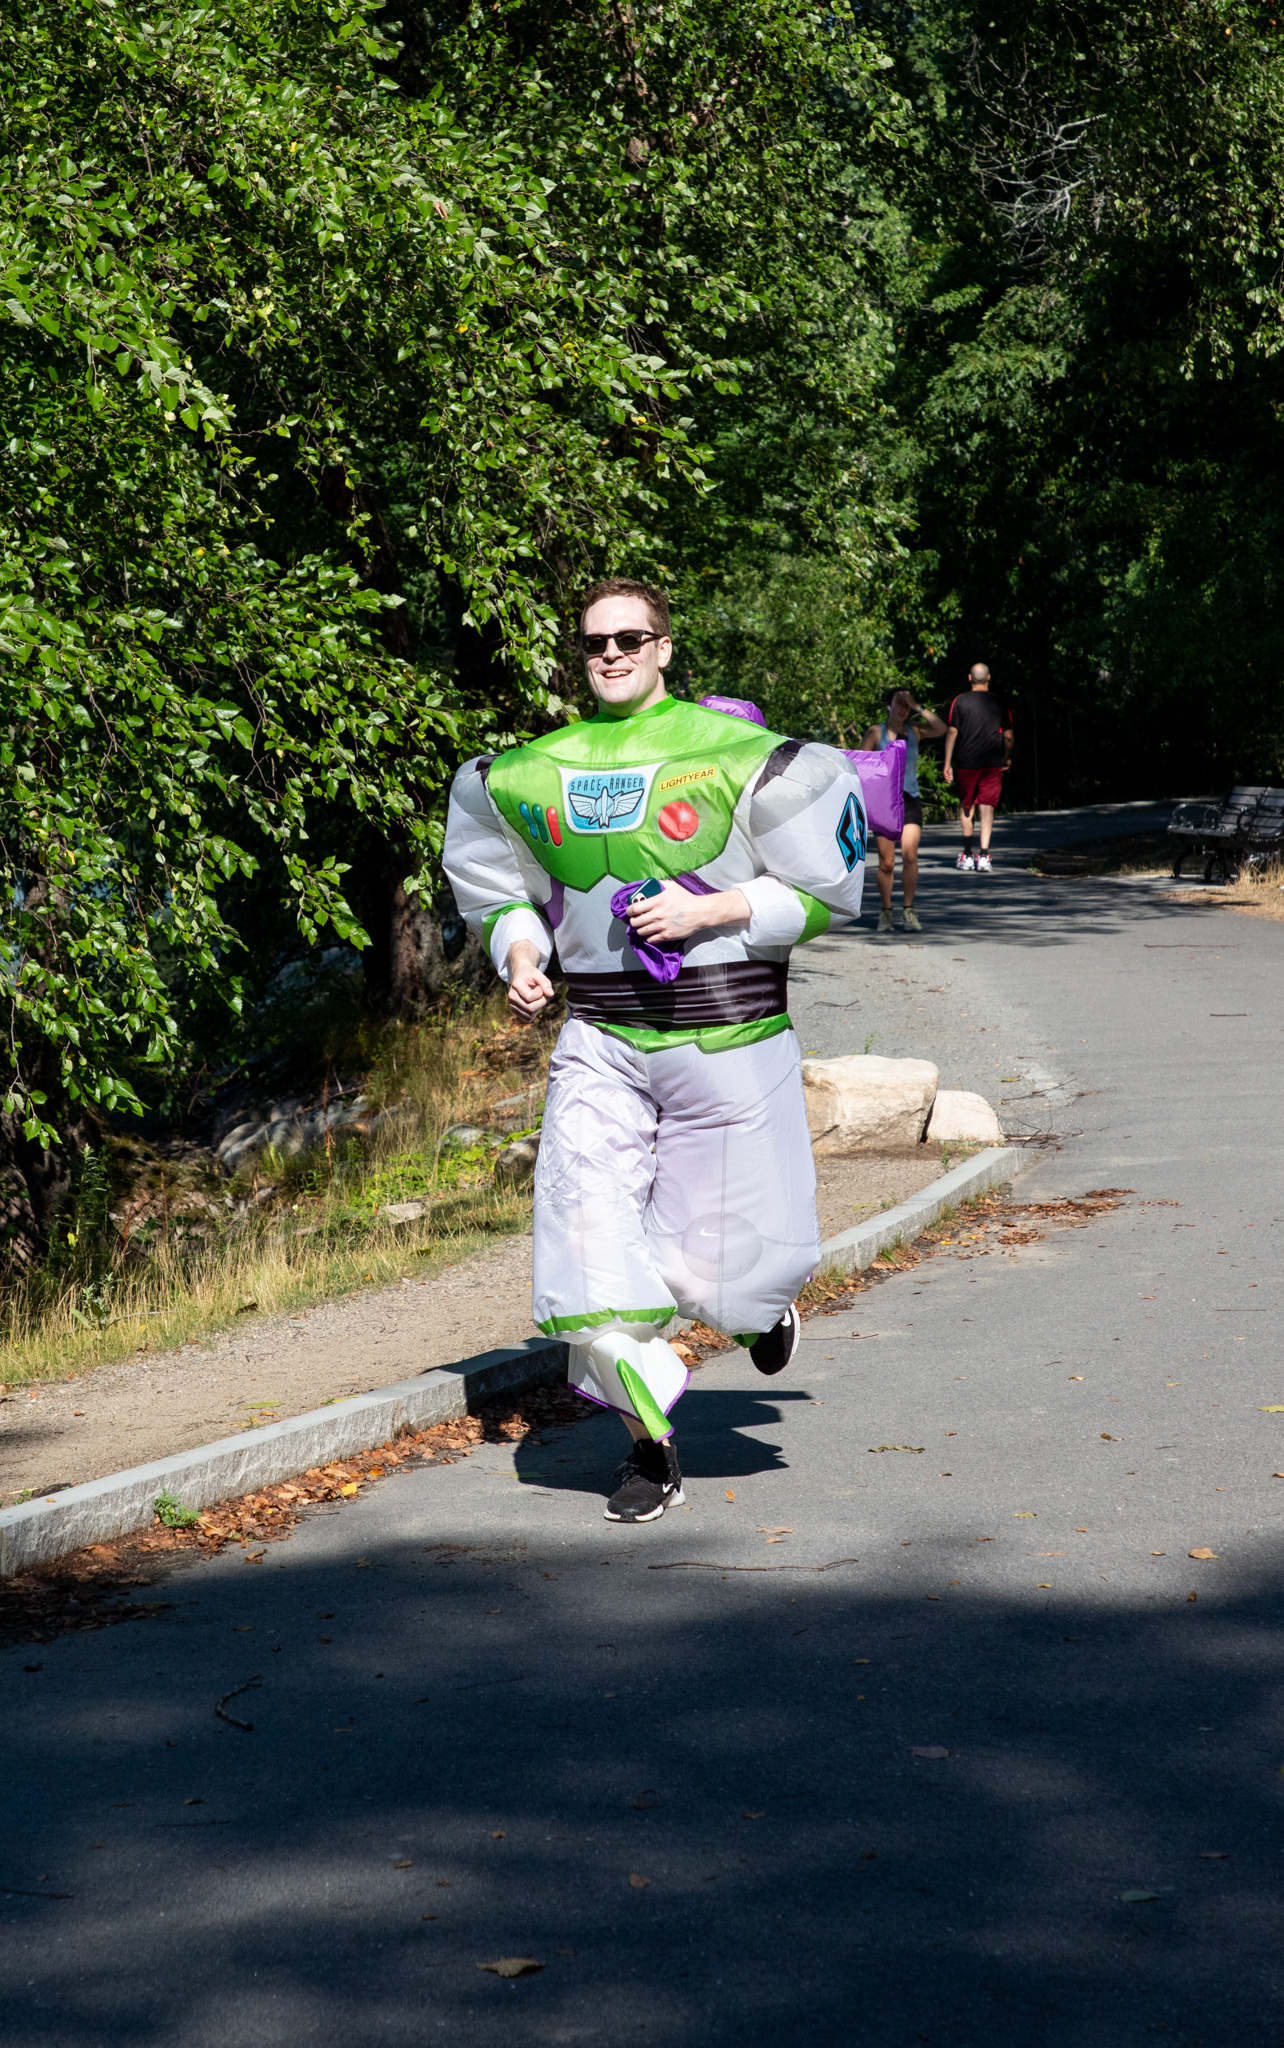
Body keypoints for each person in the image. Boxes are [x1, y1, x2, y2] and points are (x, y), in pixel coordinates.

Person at [443, 578, 868, 1524]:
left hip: (731, 1036)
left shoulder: (751, 760)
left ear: (665, 647)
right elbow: (496, 885)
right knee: (587, 1258)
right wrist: (520, 951)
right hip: (598, 1037)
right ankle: (649, 1450)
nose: (612, 654)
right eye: (596, 641)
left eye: (631, 637)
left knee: (730, 1279)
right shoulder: (525, 772)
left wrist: (710, 907)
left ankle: (760, 1313)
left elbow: (825, 897)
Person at [859, 687, 946, 932]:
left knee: (909, 855)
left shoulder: (914, 731)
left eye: (906, 705)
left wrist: (918, 706)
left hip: (910, 799)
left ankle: (909, 910)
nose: (903, 708)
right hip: (884, 802)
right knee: (887, 862)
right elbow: (859, 764)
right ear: (889, 705)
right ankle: (886, 911)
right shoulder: (876, 732)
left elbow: (941, 728)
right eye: (899, 702)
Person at [942, 663, 1013, 872]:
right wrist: (1006, 757)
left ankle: (967, 854)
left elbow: (952, 732)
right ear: (989, 677)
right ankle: (984, 855)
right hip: (992, 762)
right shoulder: (999, 702)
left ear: (969, 678)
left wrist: (947, 763)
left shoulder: (960, 701)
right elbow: (1008, 735)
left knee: (967, 806)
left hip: (966, 762)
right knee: (987, 806)